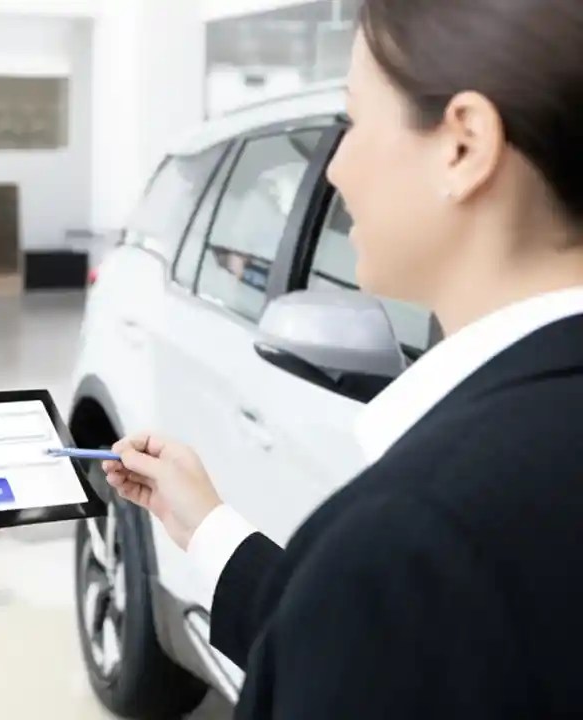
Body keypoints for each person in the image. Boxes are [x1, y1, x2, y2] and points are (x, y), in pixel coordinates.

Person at [103, 0, 583, 717]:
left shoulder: (417, 534)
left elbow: (387, 625)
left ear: (464, 144)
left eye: (355, 122)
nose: (334, 172)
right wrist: (208, 529)